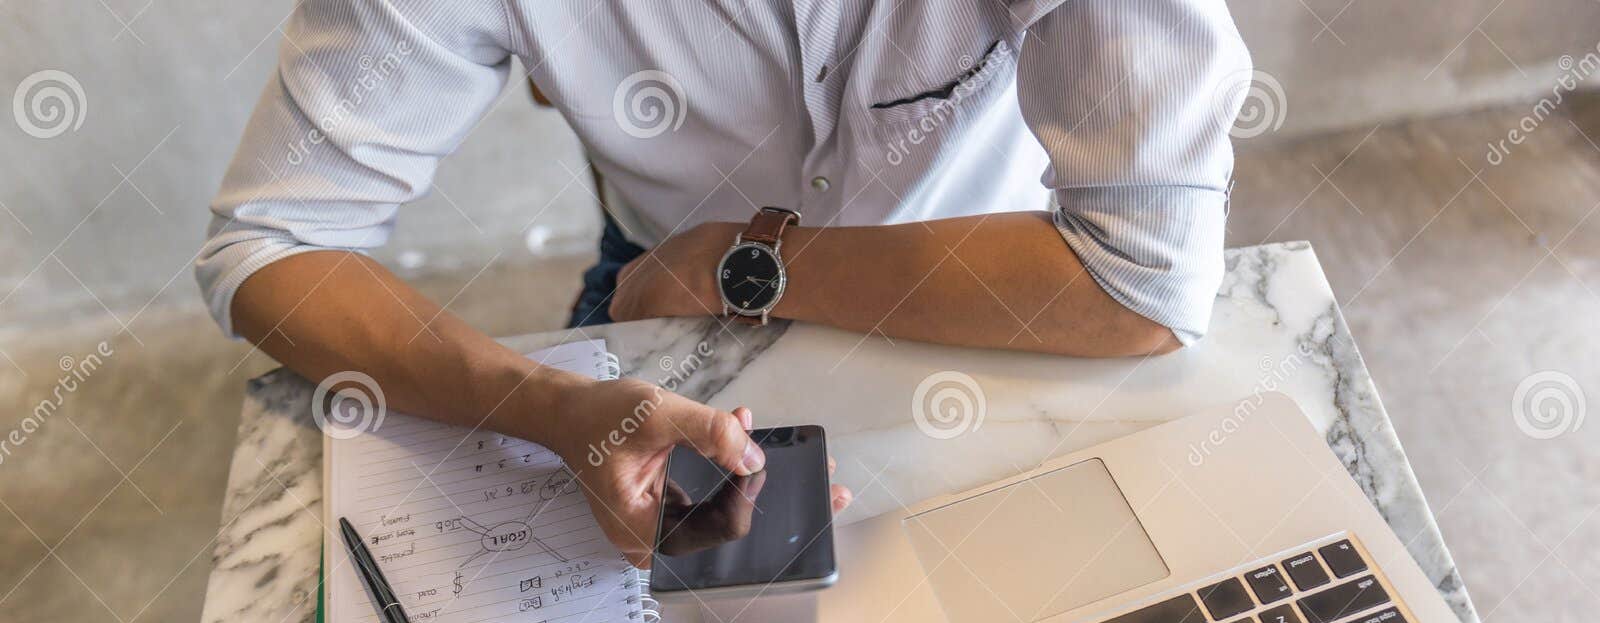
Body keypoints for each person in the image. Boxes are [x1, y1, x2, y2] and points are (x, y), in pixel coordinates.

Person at [198, 1, 1249, 564]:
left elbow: (1143, 276)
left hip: (994, 292)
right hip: (660, 306)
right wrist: (553, 408)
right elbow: (272, 246)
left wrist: (738, 265)